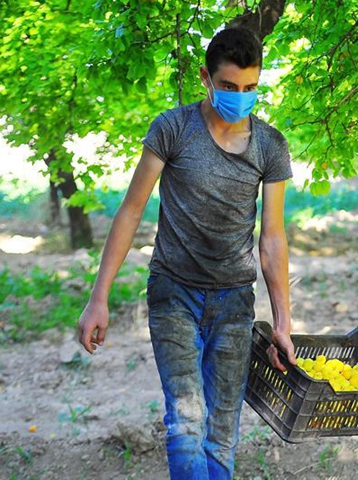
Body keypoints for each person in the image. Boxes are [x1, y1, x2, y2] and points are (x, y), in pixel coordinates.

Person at [77, 27, 296, 480]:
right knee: (186, 422)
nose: (241, 97)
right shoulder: (173, 129)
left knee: (221, 434)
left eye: (251, 88)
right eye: (230, 87)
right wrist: (98, 298)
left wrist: (283, 324)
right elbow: (131, 210)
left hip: (234, 302)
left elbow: (272, 238)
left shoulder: (269, 146)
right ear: (206, 78)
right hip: (173, 294)